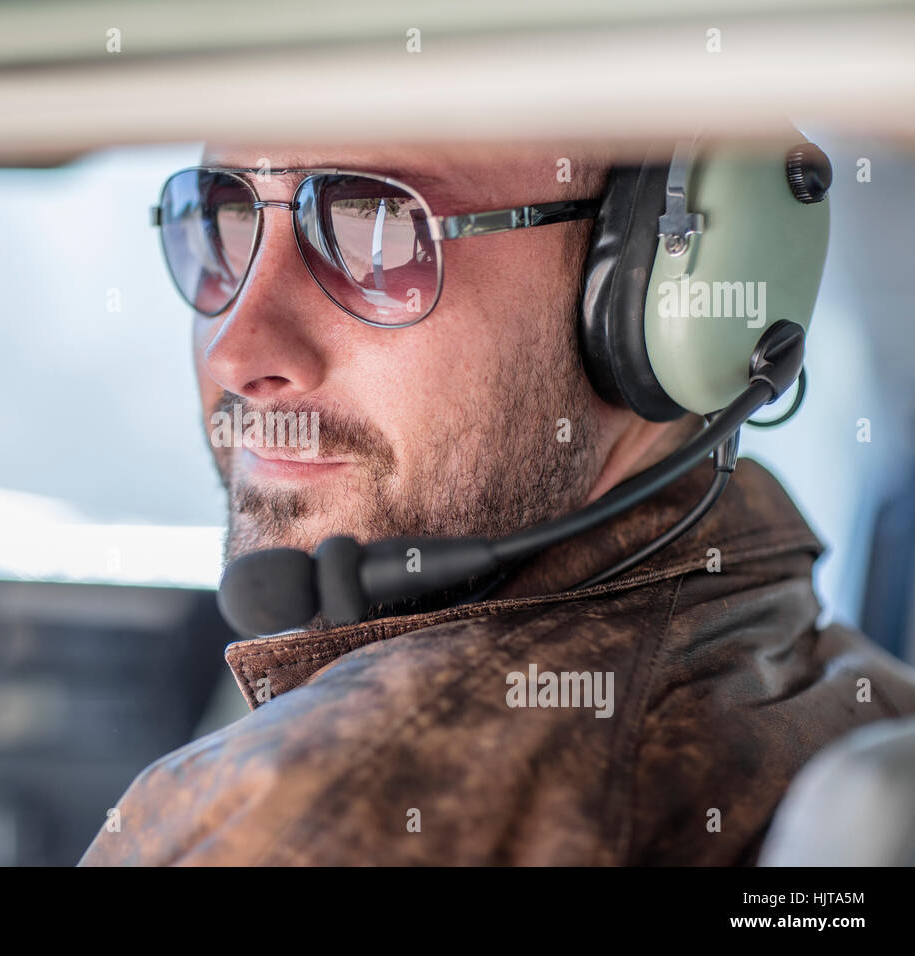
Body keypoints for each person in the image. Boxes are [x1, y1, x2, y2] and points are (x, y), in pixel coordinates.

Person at [79, 141, 915, 865]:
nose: (237, 350)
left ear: (663, 294)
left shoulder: (315, 811)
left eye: (377, 228)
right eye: (224, 217)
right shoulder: (841, 684)